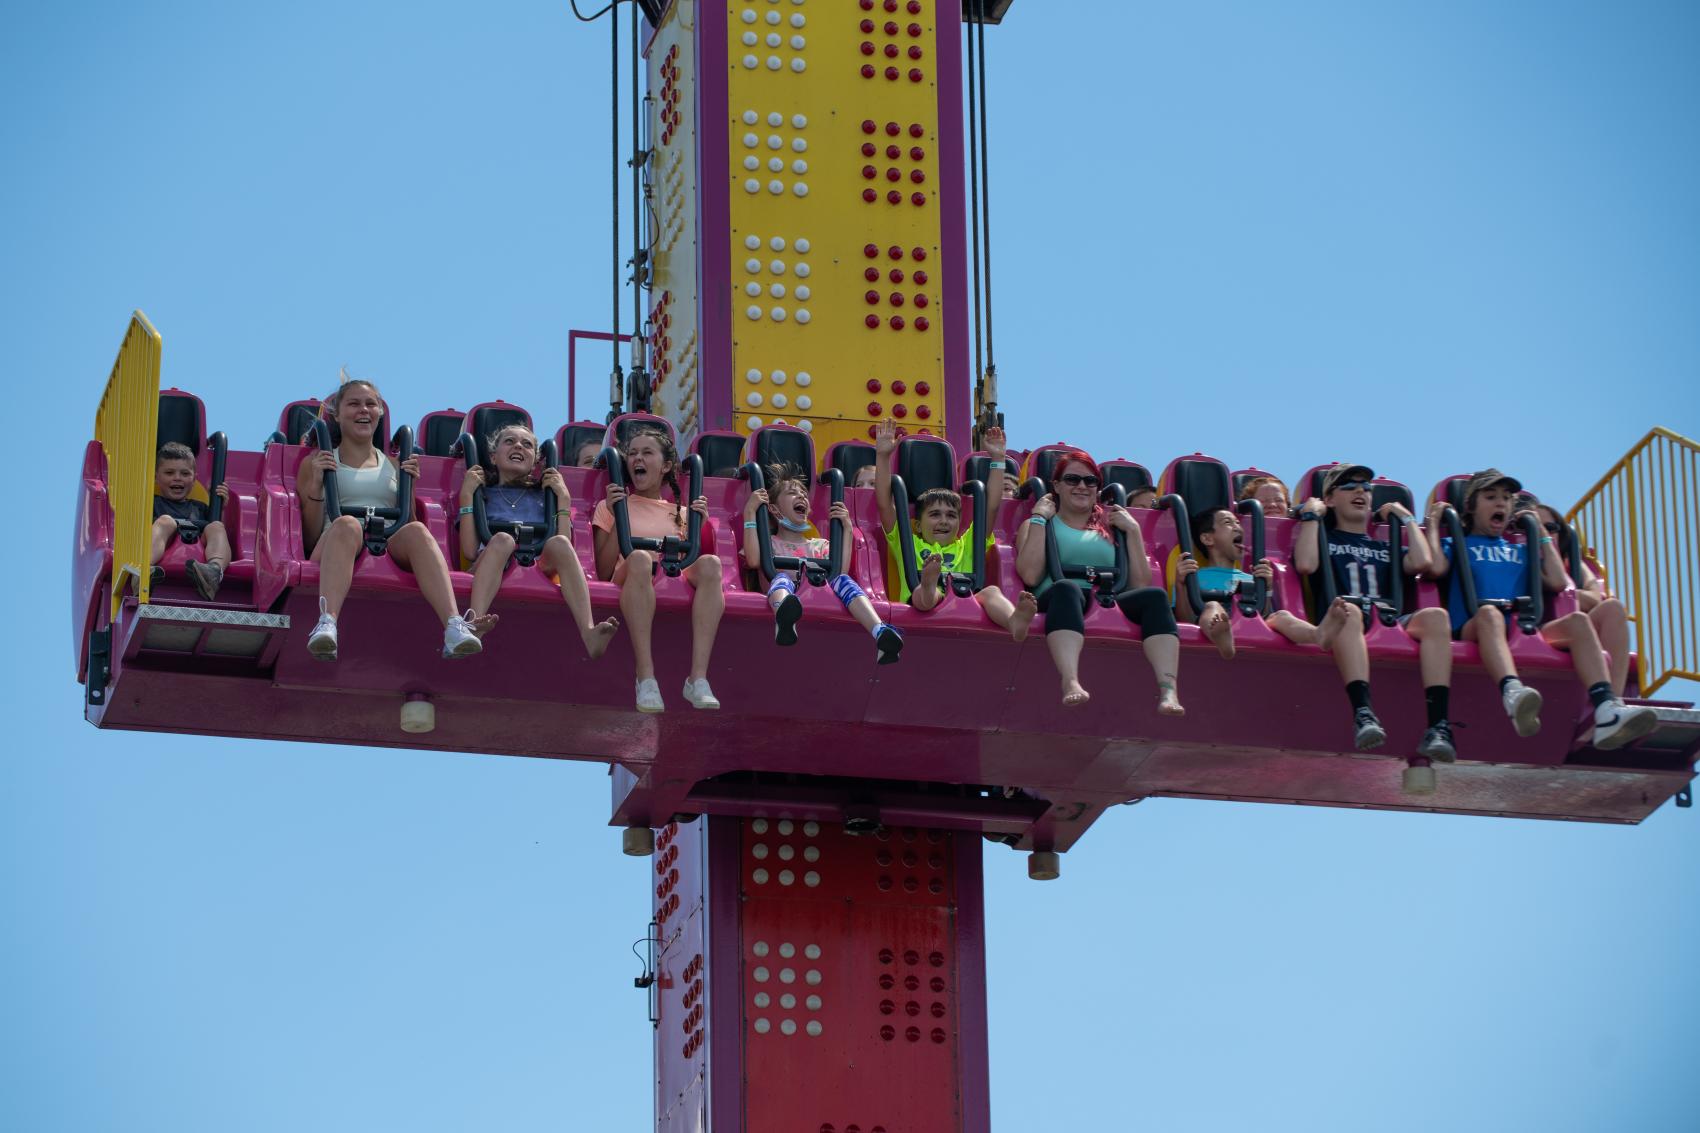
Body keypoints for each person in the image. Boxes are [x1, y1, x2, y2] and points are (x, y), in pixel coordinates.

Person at [1426, 469, 1655, 749]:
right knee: (1489, 614)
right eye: (1491, 497)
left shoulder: (1521, 549)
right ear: (1471, 506)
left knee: (1579, 622)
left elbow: (1559, 582)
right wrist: (1436, 526)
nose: (1501, 503)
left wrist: (1542, 534)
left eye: (1507, 499)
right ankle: (1512, 691)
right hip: (1478, 626)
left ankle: (1607, 708)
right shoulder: (1456, 544)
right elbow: (1435, 568)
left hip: (1524, 627)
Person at [1271, 464, 1457, 758]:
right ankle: (1363, 712)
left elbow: (1422, 562)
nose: (1361, 491)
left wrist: (1406, 518)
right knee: (1350, 612)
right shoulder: (1325, 538)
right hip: (1343, 617)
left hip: (1387, 618)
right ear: (1330, 499)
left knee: (1437, 617)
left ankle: (1439, 725)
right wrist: (1310, 517)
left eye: (1366, 488)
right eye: (1349, 486)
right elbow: (1306, 564)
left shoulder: (1385, 545)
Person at [297, 375, 481, 661]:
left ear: (380, 412)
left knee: (418, 530)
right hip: (337, 541)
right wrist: (317, 486)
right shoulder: (317, 461)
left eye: (371, 404)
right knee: (347, 524)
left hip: (385, 539)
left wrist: (410, 485)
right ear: (337, 413)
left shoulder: (394, 464)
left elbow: (405, 522)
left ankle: (454, 624)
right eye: (354, 404)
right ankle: (327, 621)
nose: (363, 410)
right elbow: (308, 538)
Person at [1016, 449, 1184, 713]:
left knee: (1156, 598)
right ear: (1057, 486)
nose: (1082, 486)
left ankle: (1168, 690)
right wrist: (1038, 518)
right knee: (1067, 589)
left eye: (1090, 481)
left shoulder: (1112, 527)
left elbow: (1139, 583)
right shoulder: (1040, 523)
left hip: (1108, 596)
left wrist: (1133, 530)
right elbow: (1030, 575)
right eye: (1072, 479)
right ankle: (1070, 680)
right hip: (1060, 596)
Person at [458, 423, 620, 657]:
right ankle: (473, 625)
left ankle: (588, 631)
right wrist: (466, 496)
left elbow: (564, 542)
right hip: (491, 561)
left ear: (535, 462)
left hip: (536, 563)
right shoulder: (483, 493)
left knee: (559, 544)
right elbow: (470, 549)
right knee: (503, 539)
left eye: (527, 445)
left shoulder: (543, 497)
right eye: (509, 441)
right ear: (493, 457)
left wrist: (563, 499)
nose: (518, 446)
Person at [593, 427, 723, 712]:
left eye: (647, 453)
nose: (637, 458)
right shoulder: (610, 505)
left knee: (712, 565)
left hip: (672, 574)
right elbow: (603, 570)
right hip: (631, 575)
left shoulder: (683, 513)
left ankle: (698, 678)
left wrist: (698, 525)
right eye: (633, 453)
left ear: (665, 466)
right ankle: (646, 676)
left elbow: (692, 560)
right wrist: (619, 517)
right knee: (639, 558)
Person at [873, 419, 1037, 639]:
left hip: (965, 600)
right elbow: (884, 502)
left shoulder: (968, 543)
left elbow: (991, 506)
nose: (944, 521)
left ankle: (1013, 621)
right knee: (924, 593)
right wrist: (883, 456)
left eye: (951, 516)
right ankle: (930, 583)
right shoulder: (907, 540)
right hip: (921, 601)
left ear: (959, 523)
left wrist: (998, 459)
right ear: (918, 524)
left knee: (991, 592)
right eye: (935, 515)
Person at [741, 462, 903, 662]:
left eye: (803, 494)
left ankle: (879, 631)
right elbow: (754, 560)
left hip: (819, 594)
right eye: (792, 493)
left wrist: (847, 528)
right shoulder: (769, 544)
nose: (801, 496)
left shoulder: (819, 545)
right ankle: (784, 615)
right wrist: (750, 512)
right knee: (782, 578)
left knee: (844, 581)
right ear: (774, 509)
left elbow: (840, 570)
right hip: (788, 592)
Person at [1536, 502, 1632, 696]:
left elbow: (1595, 597)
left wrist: (1568, 594)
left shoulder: (1573, 565)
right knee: (1577, 621)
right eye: (1537, 527)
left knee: (1613, 608)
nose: (1543, 532)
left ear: (1560, 534)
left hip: (1573, 628)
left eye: (1550, 528)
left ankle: (1614, 702)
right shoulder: (1518, 558)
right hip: (1537, 634)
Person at [1173, 507, 1275, 661]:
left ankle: (1317, 634)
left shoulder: (1251, 577)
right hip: (1213, 621)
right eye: (1228, 522)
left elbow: (1265, 616)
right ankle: (1221, 636)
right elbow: (1184, 619)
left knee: (1283, 616)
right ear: (1208, 539)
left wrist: (1267, 589)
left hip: (1248, 622)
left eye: (1238, 523)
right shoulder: (1194, 576)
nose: (1237, 527)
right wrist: (1180, 585)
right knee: (1212, 606)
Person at [151, 441, 231, 601]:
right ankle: (143, 569)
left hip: (196, 554)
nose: (177, 478)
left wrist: (221, 507)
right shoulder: (152, 503)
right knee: (165, 521)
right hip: (164, 551)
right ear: (156, 478)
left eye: (185, 474)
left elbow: (219, 537)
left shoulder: (200, 508)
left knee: (216, 526)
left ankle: (213, 572)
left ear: (194, 479)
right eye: (169, 473)